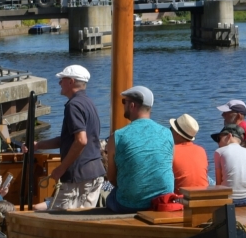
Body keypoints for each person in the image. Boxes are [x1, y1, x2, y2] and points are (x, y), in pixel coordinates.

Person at [28, 65, 106, 210]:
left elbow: (81, 140)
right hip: (94, 172)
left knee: (60, 219)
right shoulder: (88, 103)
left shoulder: (73, 106)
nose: (59, 83)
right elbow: (68, 139)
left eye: (62, 80)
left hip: (79, 176)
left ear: (70, 82)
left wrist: (61, 168)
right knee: (82, 222)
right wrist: (38, 145)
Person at [106, 86, 174, 213]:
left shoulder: (118, 136)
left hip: (129, 205)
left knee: (109, 196)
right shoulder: (167, 133)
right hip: (162, 201)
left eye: (124, 102)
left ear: (132, 105)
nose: (123, 105)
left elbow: (111, 177)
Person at [211, 124, 246, 206]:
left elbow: (218, 184)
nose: (218, 143)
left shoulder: (219, 152)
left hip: (230, 200)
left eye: (219, 139)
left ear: (229, 136)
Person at [169, 113, 208, 192]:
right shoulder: (201, 150)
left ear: (177, 133)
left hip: (182, 199)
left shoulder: (171, 151)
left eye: (171, 129)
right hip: (203, 195)